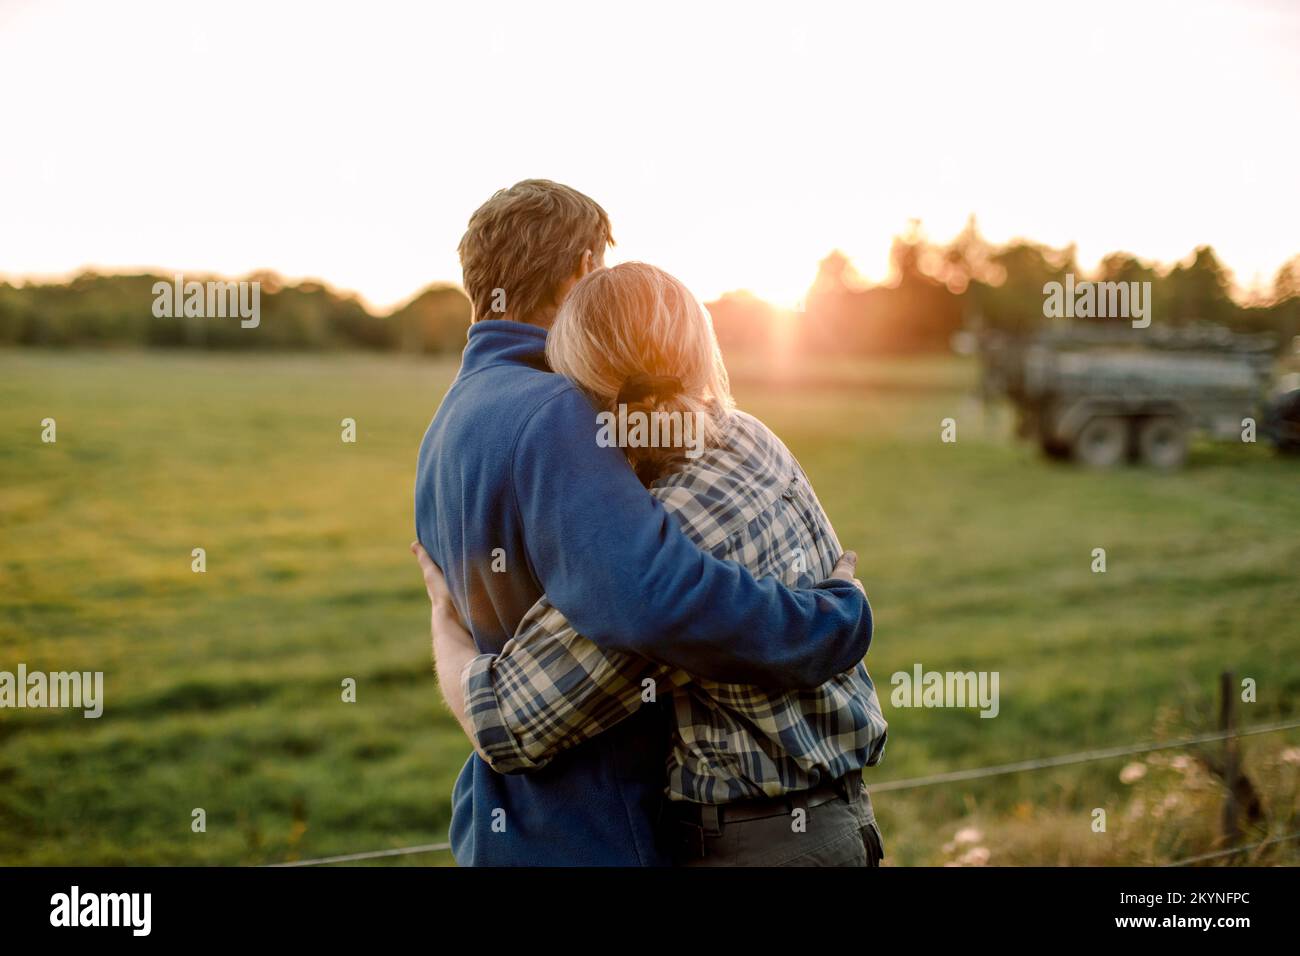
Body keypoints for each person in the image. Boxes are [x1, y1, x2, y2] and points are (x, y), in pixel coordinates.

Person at [412, 181, 874, 866]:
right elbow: (653, 602)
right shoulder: (561, 410)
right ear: (582, 269)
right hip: (598, 831)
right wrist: (834, 622)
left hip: (504, 822)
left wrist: (446, 634)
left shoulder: (446, 423)